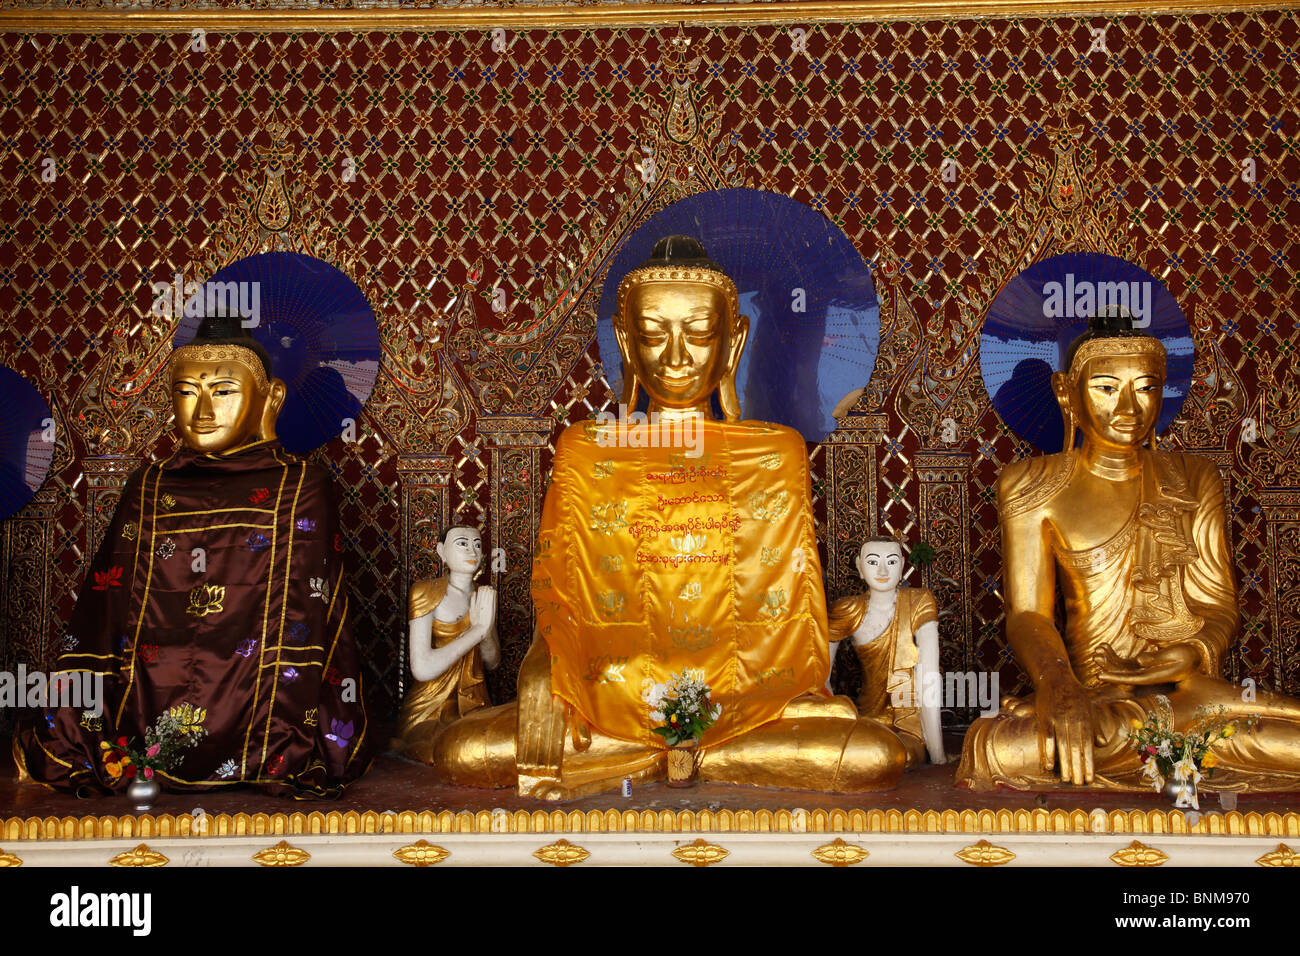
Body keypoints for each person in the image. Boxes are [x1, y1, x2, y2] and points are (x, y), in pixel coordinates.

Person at [15, 313, 373, 796]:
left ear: (270, 399)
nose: (203, 411)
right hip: (152, 674)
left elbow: (310, 611)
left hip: (264, 698)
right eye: (186, 392)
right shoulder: (150, 484)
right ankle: (137, 750)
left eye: (224, 391)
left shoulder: (301, 484)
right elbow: (107, 609)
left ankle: (260, 755)